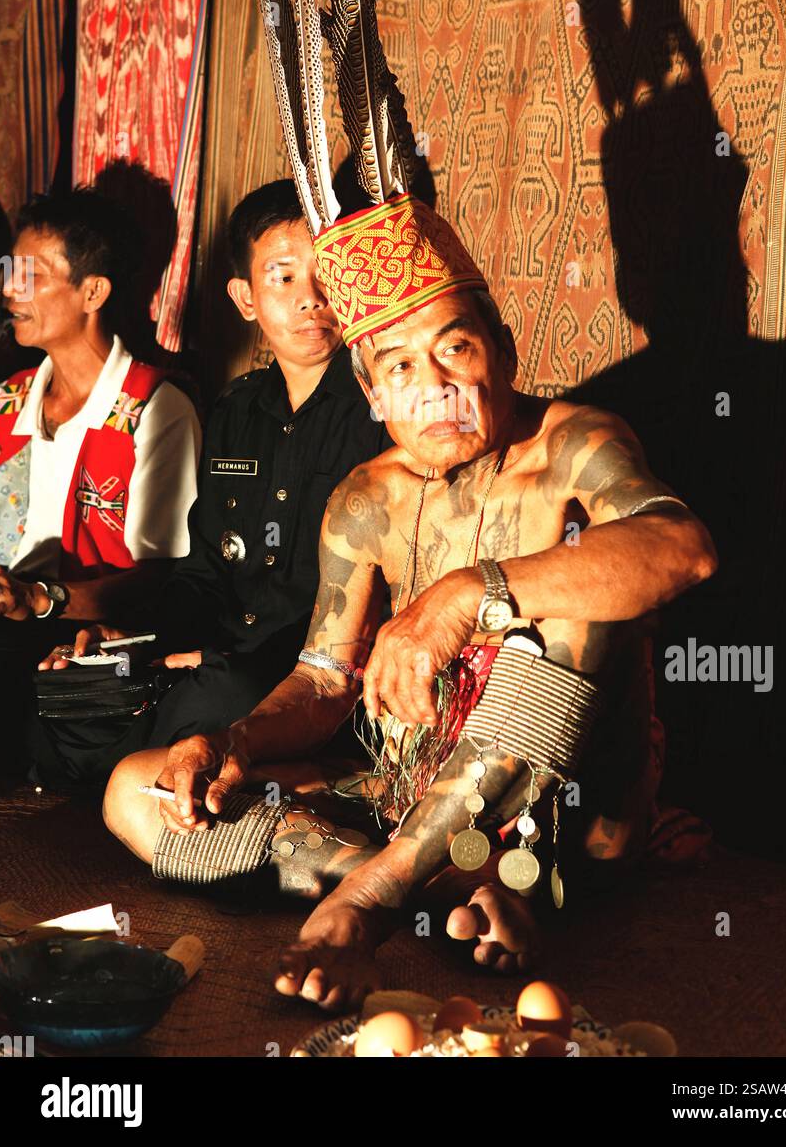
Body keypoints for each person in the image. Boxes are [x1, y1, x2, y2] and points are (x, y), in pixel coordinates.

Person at [103, 192, 717, 1010]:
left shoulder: (575, 445)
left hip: (569, 819)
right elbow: (324, 682)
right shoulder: (365, 499)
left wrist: (470, 595)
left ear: (501, 347)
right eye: (398, 367)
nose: (433, 387)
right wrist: (234, 743)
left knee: (576, 580)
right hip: (408, 800)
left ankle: (373, 899)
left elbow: (683, 549)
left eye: (455, 349)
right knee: (135, 791)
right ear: (371, 392)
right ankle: (462, 894)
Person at [37, 181, 391, 784]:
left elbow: (374, 600)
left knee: (223, 696)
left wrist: (221, 661)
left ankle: (165, 775)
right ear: (245, 298)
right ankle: (157, 770)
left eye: (327, 273)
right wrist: (134, 638)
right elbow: (203, 574)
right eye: (282, 278)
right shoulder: (237, 409)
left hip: (308, 678)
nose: (311, 300)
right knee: (66, 691)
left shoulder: (384, 406)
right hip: (214, 657)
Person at [0, 188, 200, 772]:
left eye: (30, 275)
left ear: (93, 291)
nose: (10, 289)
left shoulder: (154, 407)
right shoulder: (5, 403)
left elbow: (159, 577)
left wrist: (36, 601)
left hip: (77, 628)